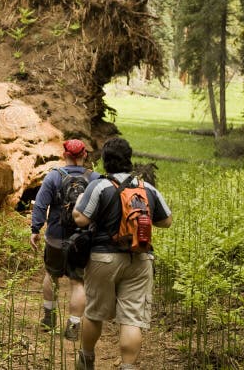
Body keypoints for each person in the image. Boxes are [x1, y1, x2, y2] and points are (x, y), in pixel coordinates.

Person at [72, 137, 173, 370]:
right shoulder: (146, 188)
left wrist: (80, 201)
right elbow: (166, 221)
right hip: (140, 258)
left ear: (105, 161)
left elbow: (81, 218)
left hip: (102, 258)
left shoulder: (99, 186)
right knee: (132, 319)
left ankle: (86, 358)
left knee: (95, 312)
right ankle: (128, 366)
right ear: (129, 160)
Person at [29, 138, 100, 341]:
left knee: (51, 275)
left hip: (55, 237)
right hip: (83, 240)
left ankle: (49, 318)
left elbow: (41, 205)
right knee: (78, 282)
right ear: (84, 155)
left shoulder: (53, 177)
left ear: (64, 155)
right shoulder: (94, 178)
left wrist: (35, 228)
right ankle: (73, 326)